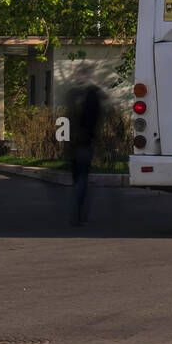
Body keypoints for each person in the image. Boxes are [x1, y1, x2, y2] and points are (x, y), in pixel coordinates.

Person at [66, 65, 106, 226]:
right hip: (85, 141)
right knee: (82, 176)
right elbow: (97, 117)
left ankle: (77, 207)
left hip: (75, 142)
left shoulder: (73, 93)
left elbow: (68, 117)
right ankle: (79, 208)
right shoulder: (93, 94)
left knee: (78, 176)